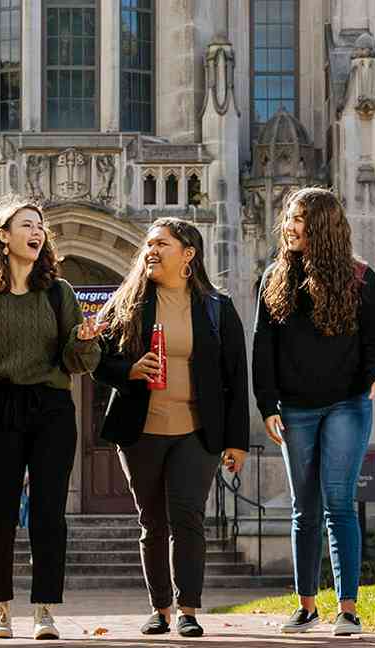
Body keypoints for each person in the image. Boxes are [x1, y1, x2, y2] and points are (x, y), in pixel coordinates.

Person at [0, 199, 103, 640]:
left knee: (49, 513)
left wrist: (86, 340)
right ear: (3, 235)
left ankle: (45, 610)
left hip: (52, 408)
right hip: (1, 407)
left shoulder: (60, 293)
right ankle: (0, 607)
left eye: (40, 227)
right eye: (26, 225)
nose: (37, 233)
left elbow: (75, 361)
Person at [89, 218, 249, 638]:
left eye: (162, 244)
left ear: (188, 254)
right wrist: (130, 370)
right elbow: (95, 362)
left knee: (188, 518)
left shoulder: (218, 308)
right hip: (140, 431)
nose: (151, 251)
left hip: (197, 432)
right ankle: (159, 609)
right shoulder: (127, 303)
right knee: (152, 521)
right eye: (148, 244)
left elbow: (236, 376)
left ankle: (188, 611)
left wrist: (238, 441)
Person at [252, 187, 375, 636]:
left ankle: (348, 609)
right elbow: (263, 348)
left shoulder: (360, 278)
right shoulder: (274, 276)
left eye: (300, 219)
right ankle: (306, 605)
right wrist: (267, 405)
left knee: (338, 502)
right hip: (295, 410)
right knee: (305, 508)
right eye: (290, 218)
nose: (291, 226)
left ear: (324, 226)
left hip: (347, 404)